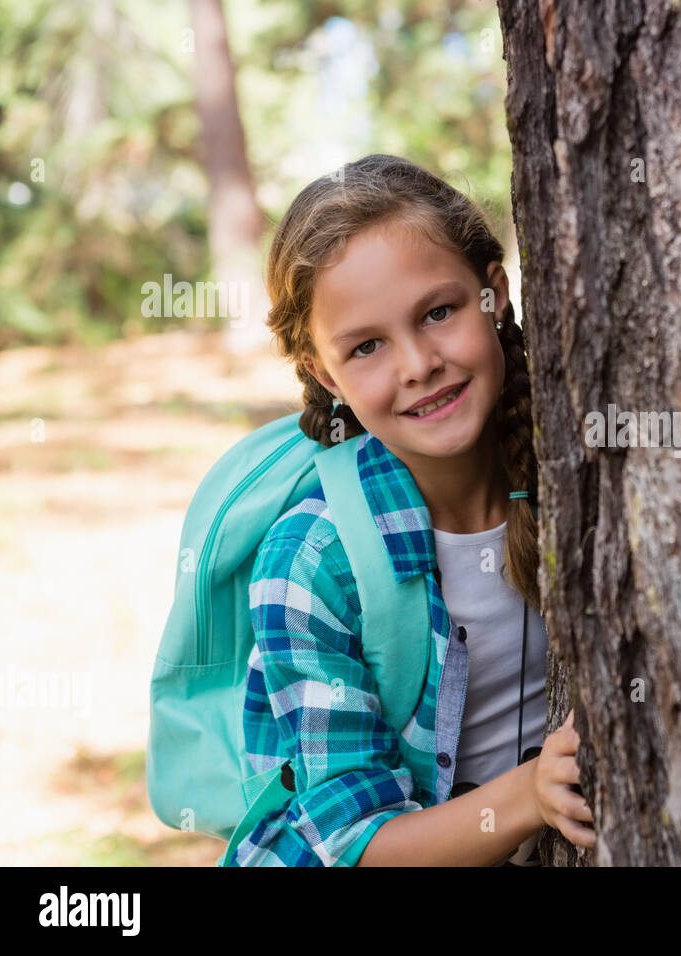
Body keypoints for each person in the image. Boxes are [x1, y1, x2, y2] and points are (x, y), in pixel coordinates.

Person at [228, 154, 596, 866]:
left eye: (438, 312)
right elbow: (354, 846)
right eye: (367, 346)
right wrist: (529, 797)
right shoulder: (311, 564)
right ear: (323, 375)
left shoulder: (577, 467)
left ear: (495, 295)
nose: (418, 364)